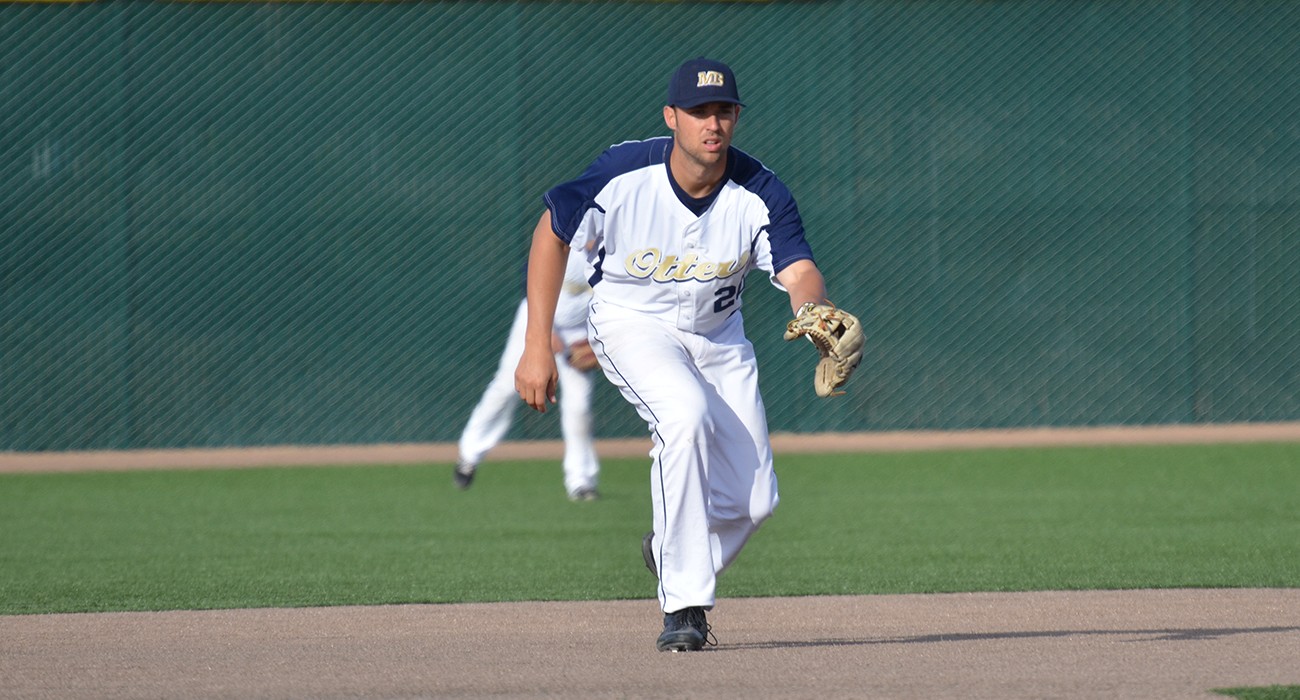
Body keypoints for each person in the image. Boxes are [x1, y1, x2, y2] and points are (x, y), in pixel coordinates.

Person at [514, 57, 844, 651]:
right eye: (697, 112)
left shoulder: (760, 191)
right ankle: (684, 610)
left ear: (737, 117)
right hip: (631, 323)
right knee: (683, 416)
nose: (711, 124)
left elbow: (798, 268)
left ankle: (669, 551)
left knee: (755, 500)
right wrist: (537, 343)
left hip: (719, 338)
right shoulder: (623, 171)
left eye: (722, 111)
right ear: (672, 118)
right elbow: (552, 231)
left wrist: (811, 309)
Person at [453, 245, 601, 501]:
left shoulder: (616, 248)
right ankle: (469, 454)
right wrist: (544, 332)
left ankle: (581, 481)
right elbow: (531, 276)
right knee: (505, 387)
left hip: (581, 332)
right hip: (537, 318)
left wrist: (599, 343)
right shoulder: (568, 239)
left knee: (579, 406)